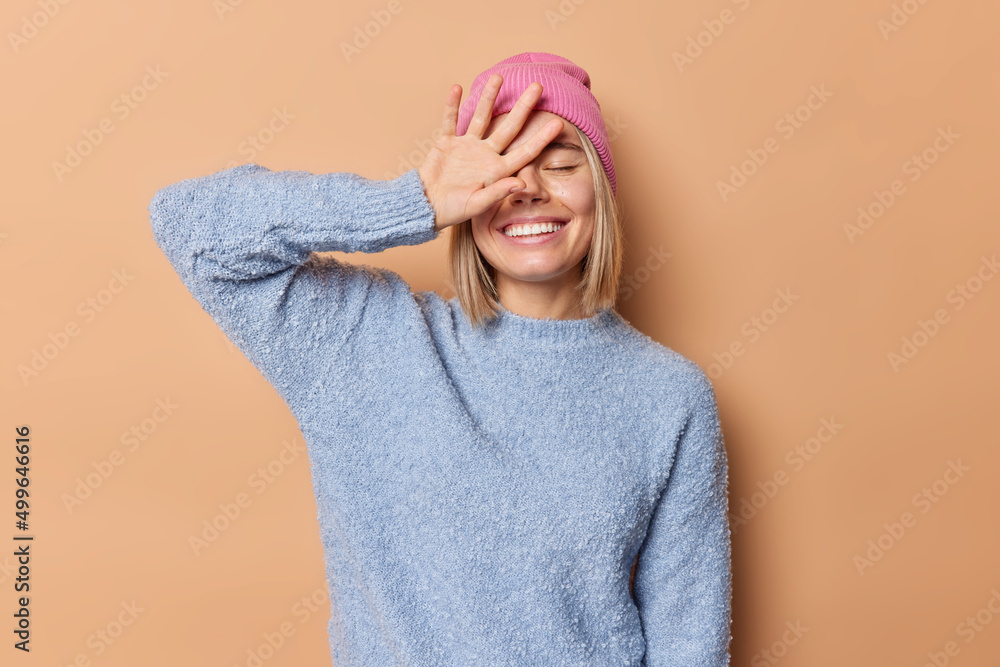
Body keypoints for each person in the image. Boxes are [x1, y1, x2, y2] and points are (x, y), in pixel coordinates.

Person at [149, 51, 733, 666]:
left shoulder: (670, 396)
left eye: (560, 164)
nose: (527, 187)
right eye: (499, 169)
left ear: (603, 194)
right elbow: (188, 225)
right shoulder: (367, 343)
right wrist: (411, 201)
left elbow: (688, 645)